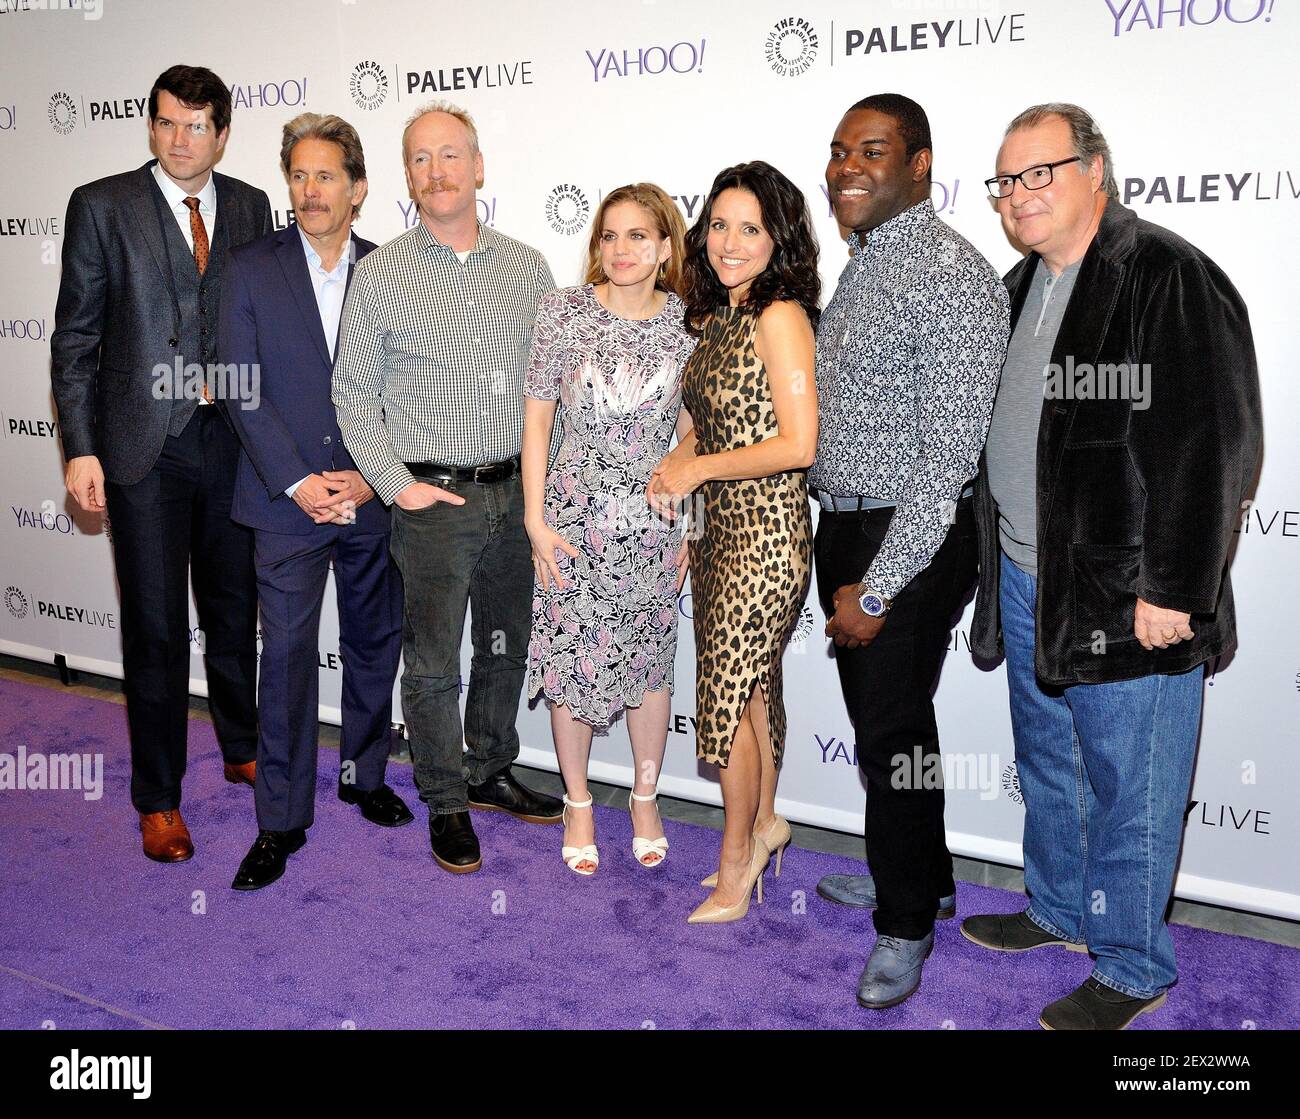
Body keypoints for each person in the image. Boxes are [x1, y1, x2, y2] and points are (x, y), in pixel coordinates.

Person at [963, 103, 1262, 1030]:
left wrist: (1174, 590)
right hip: (1028, 577)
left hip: (1130, 595)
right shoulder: (1023, 285)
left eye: (1040, 172)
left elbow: (1211, 446)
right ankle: (1060, 909)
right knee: (1052, 761)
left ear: (1097, 169)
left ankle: (1133, 965)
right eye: (1006, 182)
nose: (1020, 195)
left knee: (1132, 786)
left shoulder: (1166, 276)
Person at [811, 93, 1010, 1009]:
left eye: (874, 151)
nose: (848, 166)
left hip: (910, 536)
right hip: (848, 522)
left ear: (921, 164)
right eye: (841, 151)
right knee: (892, 728)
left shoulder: (951, 273)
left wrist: (881, 588)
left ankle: (905, 928)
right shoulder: (866, 259)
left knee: (892, 735)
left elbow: (947, 460)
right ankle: (919, 880)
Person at [333, 101, 563, 875]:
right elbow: (354, 394)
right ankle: (445, 799)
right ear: (408, 176)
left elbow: (550, 387)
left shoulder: (527, 267)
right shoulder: (380, 272)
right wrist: (397, 486)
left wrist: (543, 491)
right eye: (421, 159)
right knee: (432, 660)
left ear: (478, 167)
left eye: (450, 155)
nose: (437, 171)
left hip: (513, 497)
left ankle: (489, 766)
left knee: (506, 647)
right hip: (431, 502)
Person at [51, 65, 271, 863]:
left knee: (233, 607)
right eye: (169, 123)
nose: (183, 140)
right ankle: (160, 798)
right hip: (142, 447)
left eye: (199, 125)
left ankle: (243, 743)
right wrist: (80, 447)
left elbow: (261, 320)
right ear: (151, 126)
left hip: (232, 443)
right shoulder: (101, 204)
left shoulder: (249, 205)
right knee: (153, 627)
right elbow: (75, 337)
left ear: (222, 132)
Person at [220, 113, 410, 892]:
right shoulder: (248, 268)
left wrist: (370, 477)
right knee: (288, 658)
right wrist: (300, 482)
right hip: (283, 500)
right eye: (298, 175)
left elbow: (409, 388)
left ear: (358, 187)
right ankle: (279, 820)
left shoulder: (391, 270)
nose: (310, 189)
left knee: (374, 642)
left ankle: (366, 776)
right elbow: (239, 385)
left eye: (326, 174)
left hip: (371, 496)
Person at [648, 161, 819, 924]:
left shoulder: (778, 316)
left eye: (748, 227)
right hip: (720, 534)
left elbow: (798, 442)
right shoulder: (720, 315)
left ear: (777, 238)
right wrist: (679, 480)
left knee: (726, 701)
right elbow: (704, 421)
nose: (727, 241)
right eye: (718, 224)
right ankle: (765, 823)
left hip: (766, 537)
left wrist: (695, 468)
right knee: (748, 699)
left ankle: (735, 864)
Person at [522, 183, 695, 876]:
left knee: (649, 667)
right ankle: (578, 802)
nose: (621, 250)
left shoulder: (689, 325)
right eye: (610, 235)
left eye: (638, 236)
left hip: (653, 523)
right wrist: (533, 519)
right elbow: (537, 417)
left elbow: (693, 435)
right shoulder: (562, 312)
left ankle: (645, 797)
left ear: (664, 248)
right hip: (570, 520)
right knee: (572, 664)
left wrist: (694, 526)